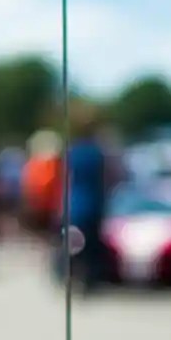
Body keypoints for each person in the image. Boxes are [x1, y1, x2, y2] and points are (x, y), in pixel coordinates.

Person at [58, 108, 110, 292]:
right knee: (91, 247)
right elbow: (106, 179)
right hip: (92, 204)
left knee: (72, 245)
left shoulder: (72, 152)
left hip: (73, 204)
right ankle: (89, 279)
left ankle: (67, 276)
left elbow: (65, 179)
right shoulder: (97, 152)